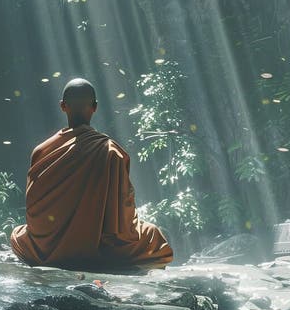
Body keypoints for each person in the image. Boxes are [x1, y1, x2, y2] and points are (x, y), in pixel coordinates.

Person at [10, 77, 173, 270]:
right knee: (153, 236)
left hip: (46, 249)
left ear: (63, 106)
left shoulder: (41, 151)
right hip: (94, 247)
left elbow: (35, 213)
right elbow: (121, 218)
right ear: (95, 107)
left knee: (17, 235)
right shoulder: (111, 152)